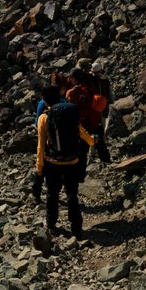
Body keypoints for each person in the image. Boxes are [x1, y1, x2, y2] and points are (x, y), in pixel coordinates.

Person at [35, 87, 94, 238]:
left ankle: (52, 224)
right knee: (72, 195)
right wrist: (92, 141)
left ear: (46, 101)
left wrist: (39, 167)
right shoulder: (69, 113)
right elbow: (81, 131)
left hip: (52, 162)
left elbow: (41, 145)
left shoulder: (44, 118)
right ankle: (77, 228)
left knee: (52, 194)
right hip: (72, 161)